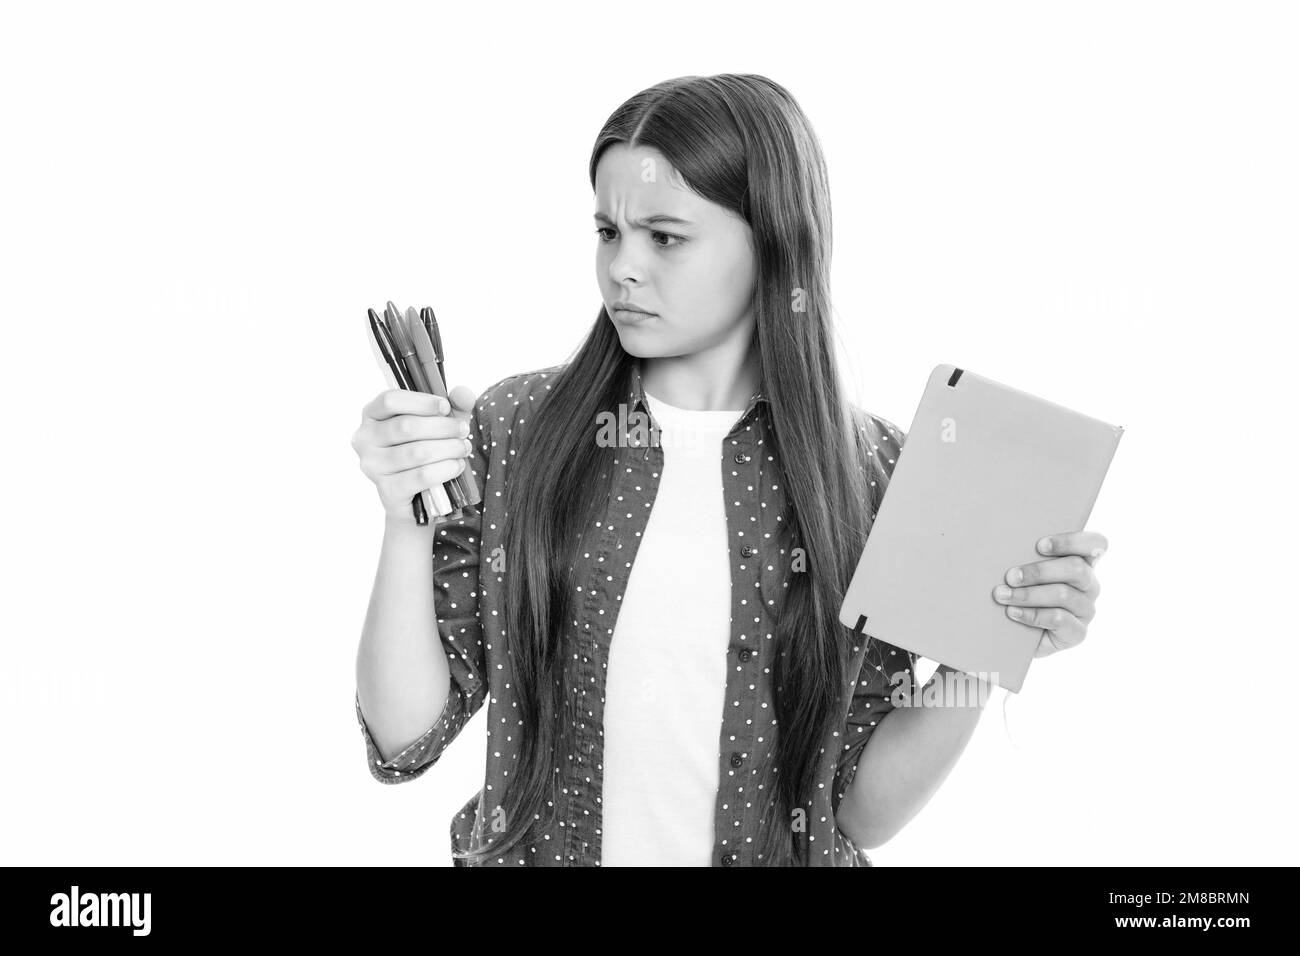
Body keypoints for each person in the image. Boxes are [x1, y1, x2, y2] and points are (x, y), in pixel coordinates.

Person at [350, 73, 1109, 867]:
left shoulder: (874, 474)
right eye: (608, 232)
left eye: (665, 237)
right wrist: (407, 523)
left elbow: (856, 811)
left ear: (772, 242)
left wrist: (985, 647)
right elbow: (406, 737)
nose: (622, 269)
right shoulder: (517, 427)